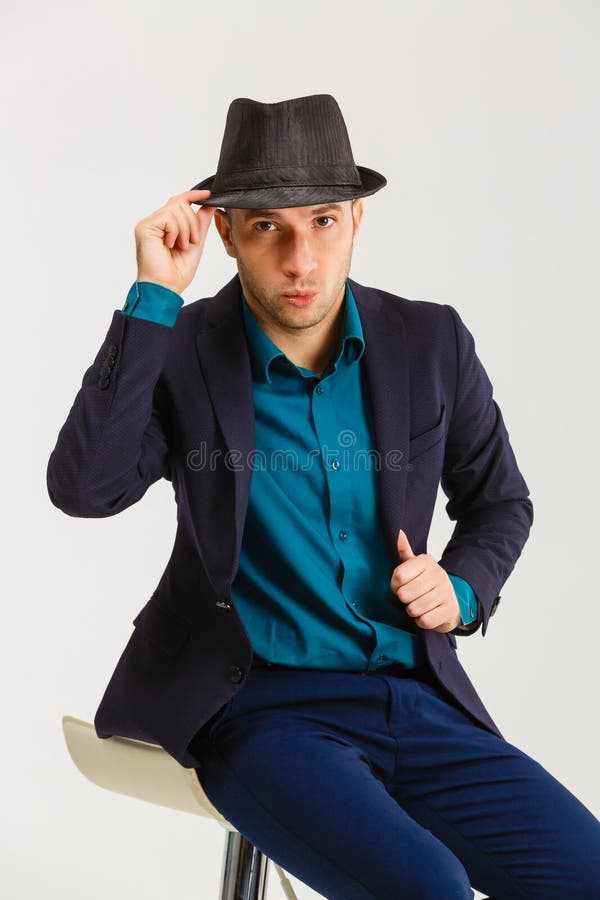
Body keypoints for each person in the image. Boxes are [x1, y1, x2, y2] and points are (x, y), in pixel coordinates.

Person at [46, 94, 600, 899]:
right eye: (268, 227)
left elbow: (501, 502)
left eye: (324, 221)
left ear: (357, 220)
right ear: (226, 232)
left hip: (413, 696)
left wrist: (461, 589)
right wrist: (153, 298)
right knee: (428, 889)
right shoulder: (180, 350)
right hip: (257, 706)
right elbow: (85, 490)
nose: (301, 260)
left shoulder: (430, 341)